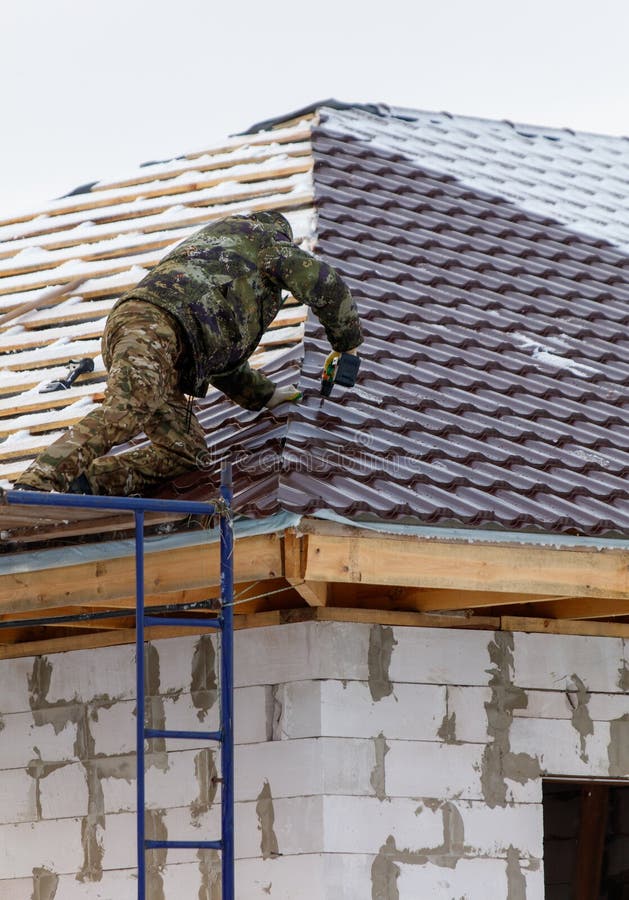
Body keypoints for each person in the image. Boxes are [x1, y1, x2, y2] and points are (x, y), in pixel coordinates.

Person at [15, 211, 362, 496]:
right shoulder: (264, 242)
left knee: (186, 452)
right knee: (131, 405)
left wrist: (266, 395)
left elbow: (223, 363)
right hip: (153, 322)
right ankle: (36, 483)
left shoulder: (231, 268)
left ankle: (88, 482)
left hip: (169, 346)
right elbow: (322, 282)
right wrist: (346, 343)